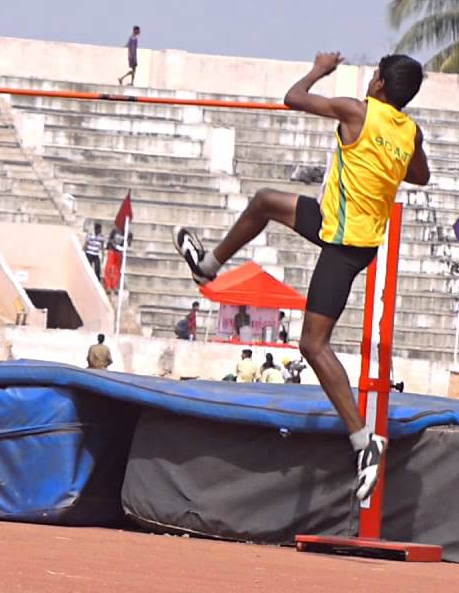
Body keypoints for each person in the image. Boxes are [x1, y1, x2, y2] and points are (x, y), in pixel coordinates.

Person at [173, 51, 429, 501]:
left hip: (343, 244)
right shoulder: (410, 131)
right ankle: (206, 266)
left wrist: (319, 70)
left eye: (374, 75)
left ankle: (363, 441)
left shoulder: (358, 110)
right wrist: (390, 159)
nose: (370, 80)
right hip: (342, 225)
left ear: (383, 85)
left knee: (312, 343)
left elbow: (293, 98)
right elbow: (421, 176)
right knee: (266, 201)